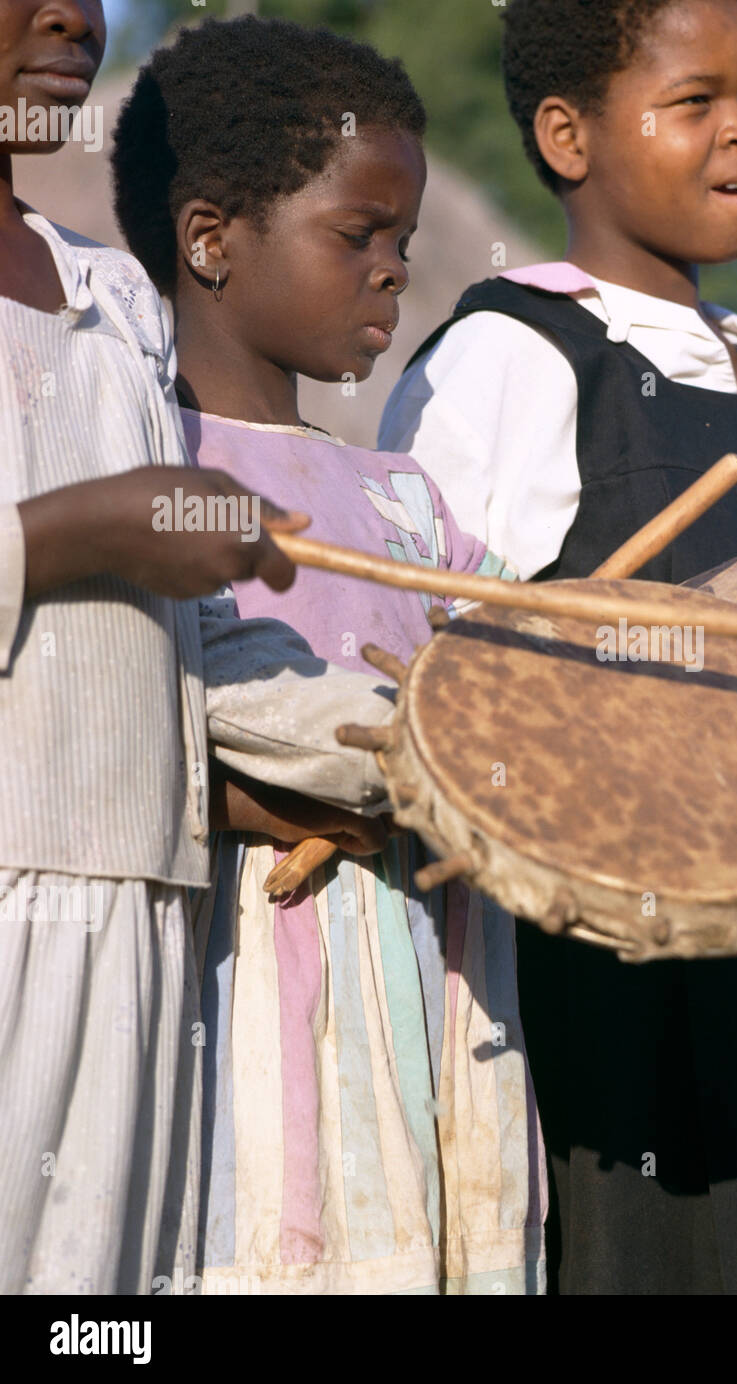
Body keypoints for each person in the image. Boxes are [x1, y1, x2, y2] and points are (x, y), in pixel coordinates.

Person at [381, 0, 737, 1294]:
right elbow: (427, 657)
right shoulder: (512, 356)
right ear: (566, 132)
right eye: (694, 101)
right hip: (631, 952)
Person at [112, 15, 545, 1295]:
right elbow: (137, 721)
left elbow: (510, 697)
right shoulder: (153, 479)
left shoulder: (410, 504)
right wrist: (264, 793)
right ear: (210, 240)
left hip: (434, 986)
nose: (392, 274)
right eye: (357, 237)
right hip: (241, 997)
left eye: (404, 245)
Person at [0, 0, 398, 1294]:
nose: (74, 11)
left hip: (151, 918)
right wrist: (80, 532)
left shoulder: (112, 296)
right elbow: (80, 544)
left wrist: (432, 754)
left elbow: (188, 656)